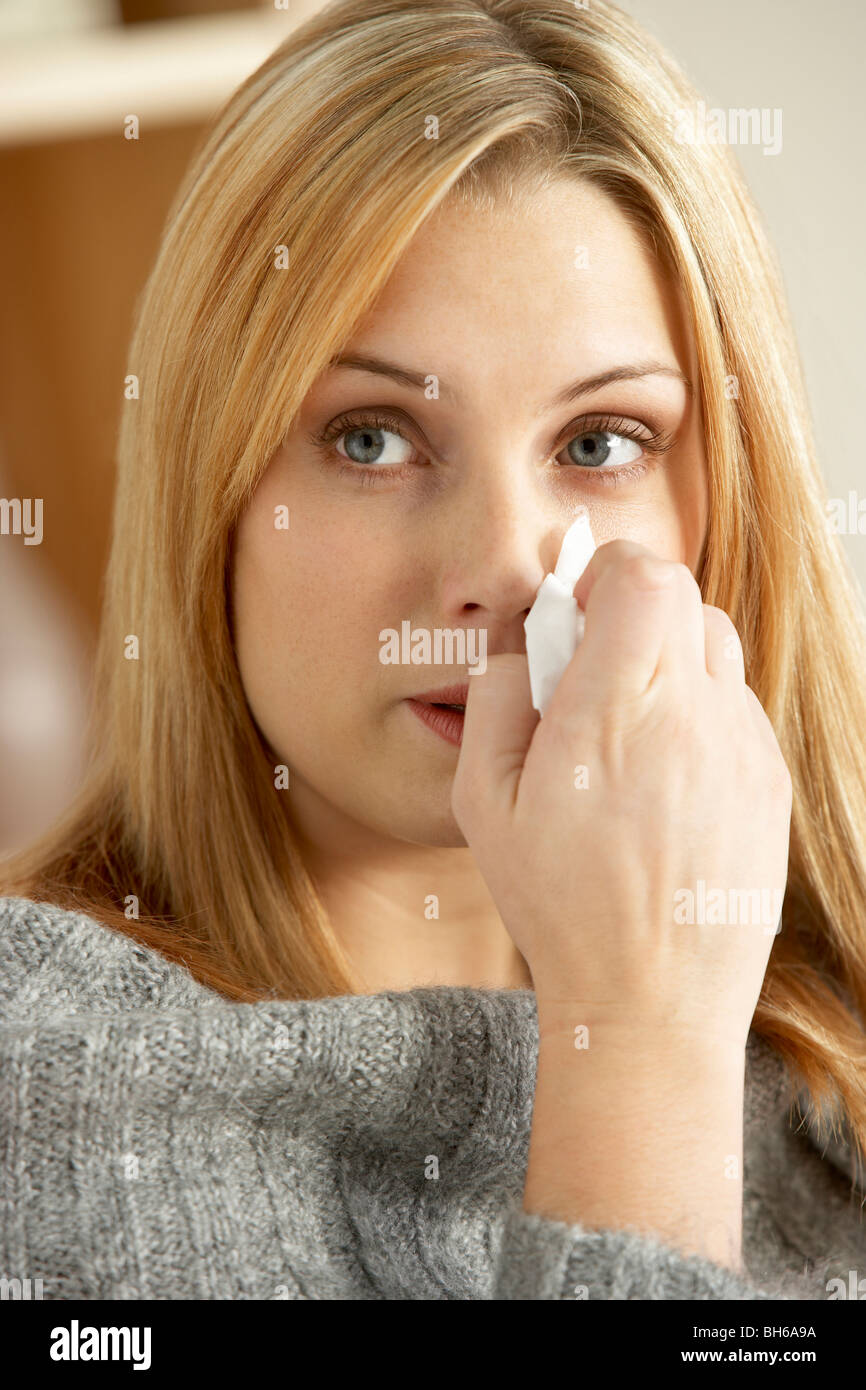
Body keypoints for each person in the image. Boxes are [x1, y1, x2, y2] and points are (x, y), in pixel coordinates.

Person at [1, 0, 864, 1300]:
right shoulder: (45, 1089)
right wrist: (633, 1050)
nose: (500, 578)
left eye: (598, 443)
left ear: (726, 505)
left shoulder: (826, 1064)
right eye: (369, 437)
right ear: (212, 494)